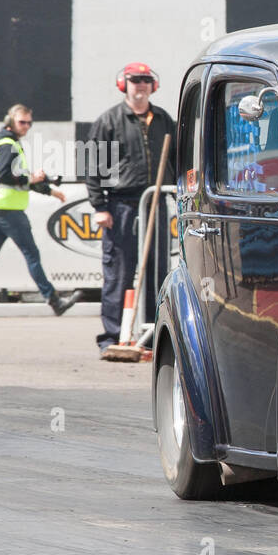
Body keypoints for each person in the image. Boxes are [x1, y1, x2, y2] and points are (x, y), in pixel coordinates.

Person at [0, 105, 77, 318]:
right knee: (32, 255)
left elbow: (19, 179)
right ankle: (54, 300)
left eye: (29, 122)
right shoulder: (7, 145)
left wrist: (49, 190)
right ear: (10, 121)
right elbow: (4, 176)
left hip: (1, 208)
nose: (27, 126)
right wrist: (32, 179)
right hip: (8, 209)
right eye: (22, 122)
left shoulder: (8, 144)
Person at [87, 63, 174, 355]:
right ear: (124, 85)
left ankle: (150, 336)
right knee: (119, 272)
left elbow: (178, 157)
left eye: (146, 80)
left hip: (156, 201)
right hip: (121, 205)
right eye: (135, 80)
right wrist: (100, 205)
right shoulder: (109, 120)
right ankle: (111, 338)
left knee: (156, 271)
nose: (140, 85)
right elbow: (93, 166)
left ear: (153, 86)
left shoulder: (163, 119)